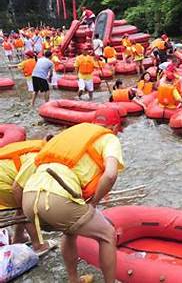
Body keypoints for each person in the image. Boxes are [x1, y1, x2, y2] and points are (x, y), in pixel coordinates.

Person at [21, 116, 124, 283]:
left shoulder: (71, 133)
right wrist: (94, 202)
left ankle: (73, 280)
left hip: (29, 195)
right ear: (113, 127)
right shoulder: (108, 138)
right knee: (107, 234)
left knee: (69, 231)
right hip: (57, 199)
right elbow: (111, 174)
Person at [1, 137, 56, 254]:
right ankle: (38, 245)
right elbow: (17, 189)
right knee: (26, 203)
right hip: (3, 182)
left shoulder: (39, 148)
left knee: (21, 202)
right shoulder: (39, 158)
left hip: (6, 176)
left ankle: (18, 238)